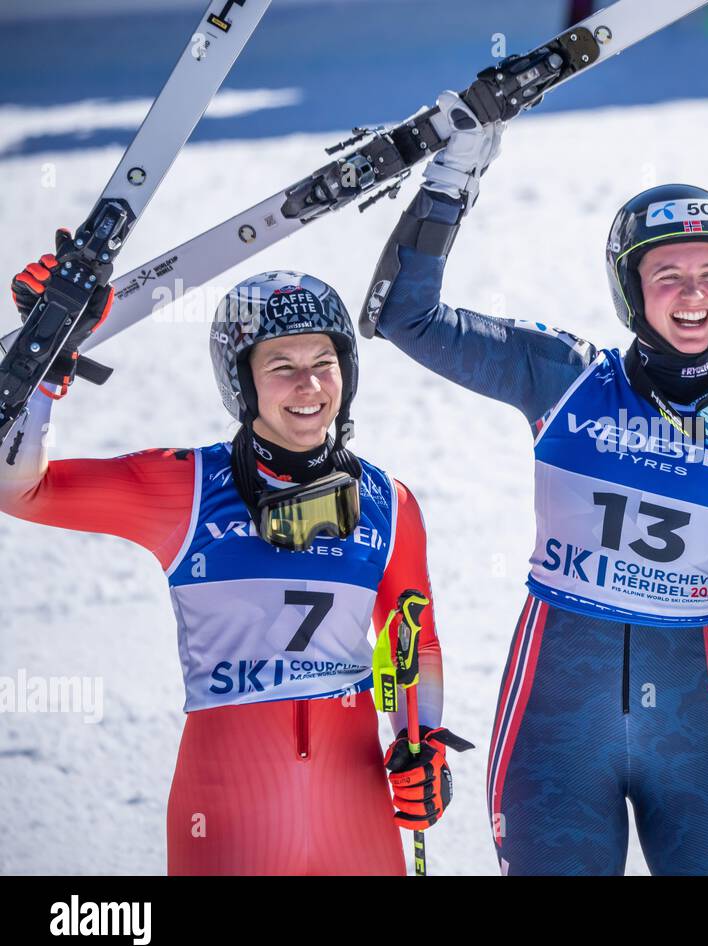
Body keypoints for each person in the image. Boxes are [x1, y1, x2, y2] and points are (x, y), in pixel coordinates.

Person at [361, 91, 708, 875]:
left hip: (695, 726)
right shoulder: (568, 380)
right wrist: (451, 179)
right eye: (667, 275)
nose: (693, 295)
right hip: (558, 725)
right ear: (630, 290)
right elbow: (405, 317)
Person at [1, 246, 468, 874]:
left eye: (324, 363)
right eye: (281, 366)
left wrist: (424, 745)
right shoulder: (185, 488)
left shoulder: (387, 500)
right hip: (228, 807)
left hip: (354, 806)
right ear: (240, 381)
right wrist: (42, 363)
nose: (309, 386)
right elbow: (18, 488)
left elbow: (413, 640)